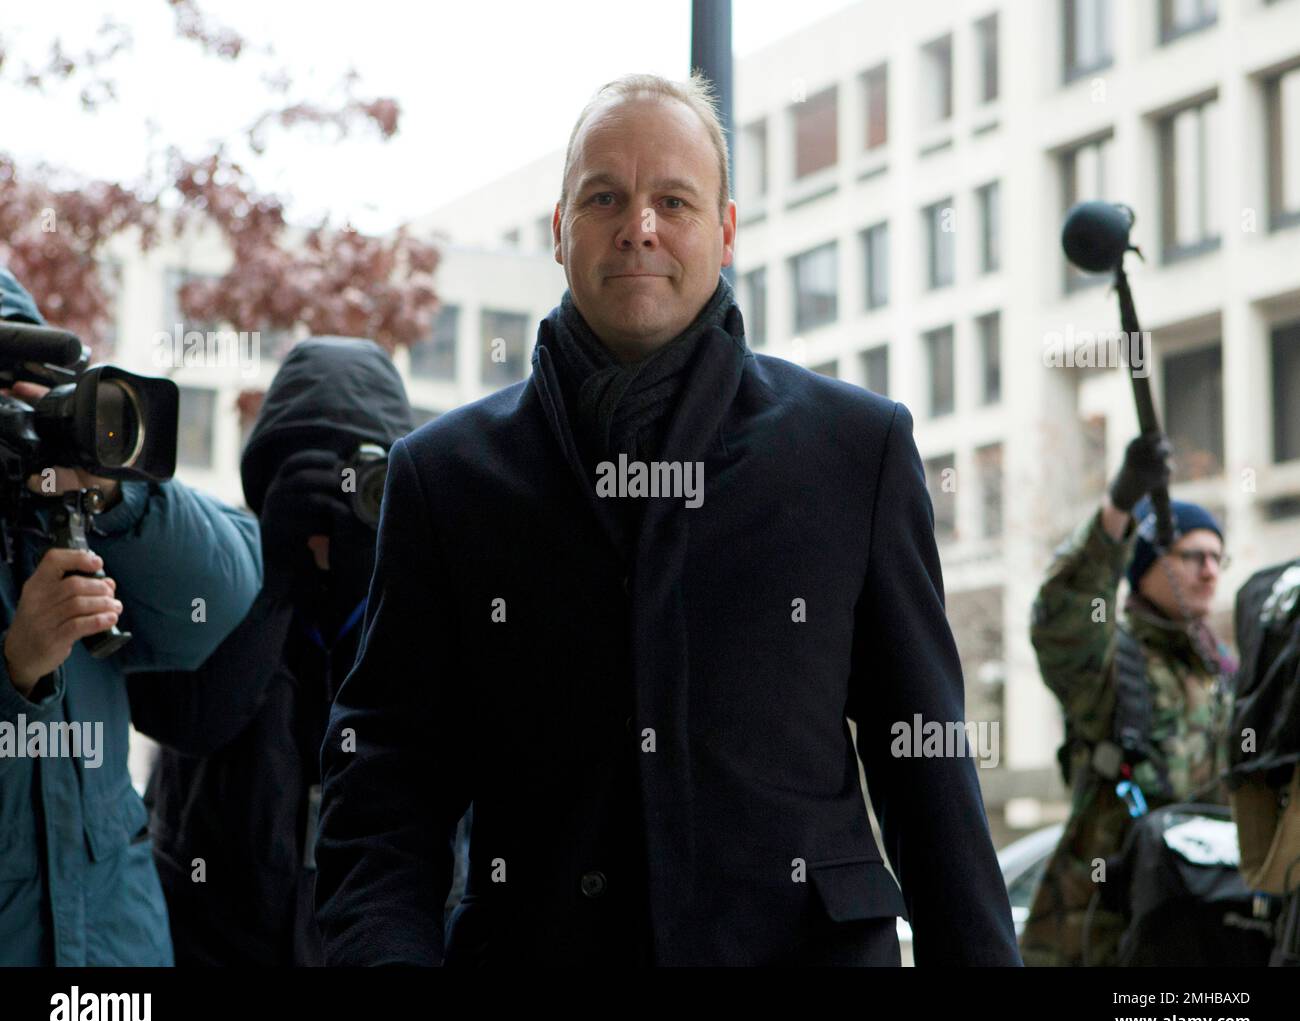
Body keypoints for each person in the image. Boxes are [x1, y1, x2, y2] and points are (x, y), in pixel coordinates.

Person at [315, 73, 1019, 967]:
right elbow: (386, 783)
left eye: (672, 201)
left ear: (724, 233)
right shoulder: (444, 479)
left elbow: (927, 774)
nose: (637, 225)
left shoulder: (855, 451)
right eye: (604, 197)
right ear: (560, 230)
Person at [0, 265, 261, 966]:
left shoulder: (70, 511)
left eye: (19, 389)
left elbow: (225, 596)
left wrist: (113, 490)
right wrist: (15, 670)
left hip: (114, 954)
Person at [128, 336, 415, 966]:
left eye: (361, 473)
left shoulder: (425, 584)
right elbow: (191, 720)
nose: (336, 490)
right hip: (212, 933)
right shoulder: (214, 568)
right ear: (267, 475)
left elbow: (418, 748)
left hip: (371, 936)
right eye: (310, 464)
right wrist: (272, 574)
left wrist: (370, 597)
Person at [1020, 431, 1236, 967]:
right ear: (1147, 566)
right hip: (1104, 928)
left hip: (1203, 923)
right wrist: (1118, 508)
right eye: (1191, 555)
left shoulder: (1227, 672)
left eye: (1217, 558)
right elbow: (1062, 616)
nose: (1209, 571)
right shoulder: (1113, 659)